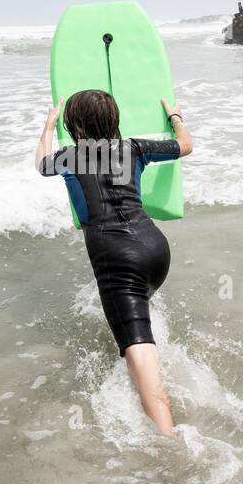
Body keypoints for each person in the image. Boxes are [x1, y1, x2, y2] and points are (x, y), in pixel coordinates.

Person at [34, 90, 193, 435]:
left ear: (73, 125)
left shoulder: (69, 158)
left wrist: (47, 126)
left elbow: (39, 163)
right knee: (136, 323)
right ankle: (148, 376)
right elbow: (185, 145)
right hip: (155, 248)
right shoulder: (134, 148)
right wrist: (176, 117)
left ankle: (169, 441)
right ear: (114, 120)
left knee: (139, 349)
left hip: (117, 259)